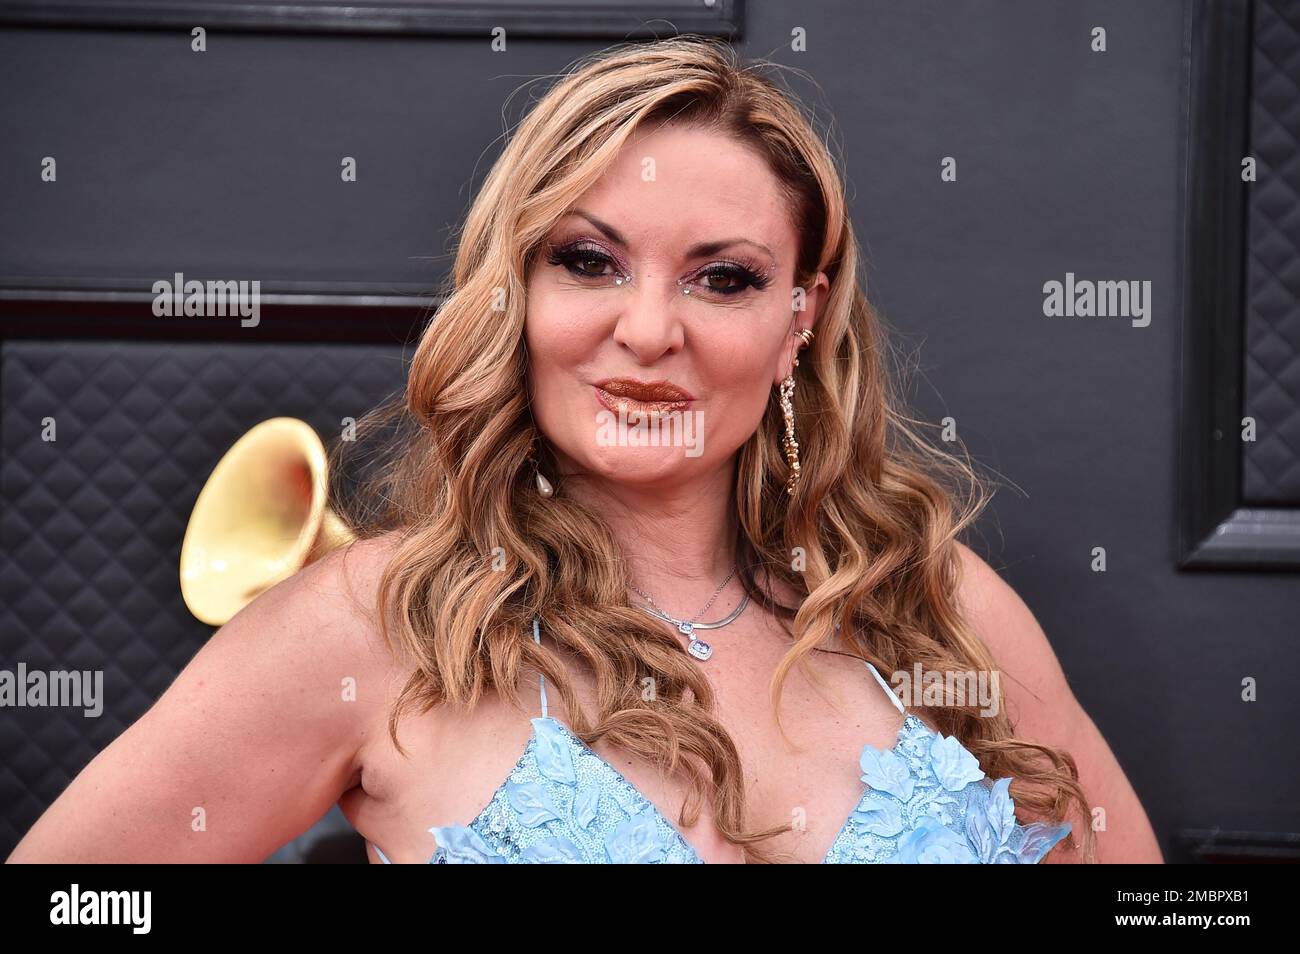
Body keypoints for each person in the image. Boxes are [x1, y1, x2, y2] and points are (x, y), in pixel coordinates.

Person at [8, 35, 1161, 864]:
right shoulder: (363, 627)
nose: (649, 331)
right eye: (588, 261)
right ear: (514, 288)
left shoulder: (938, 603)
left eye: (724, 278)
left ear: (796, 322)